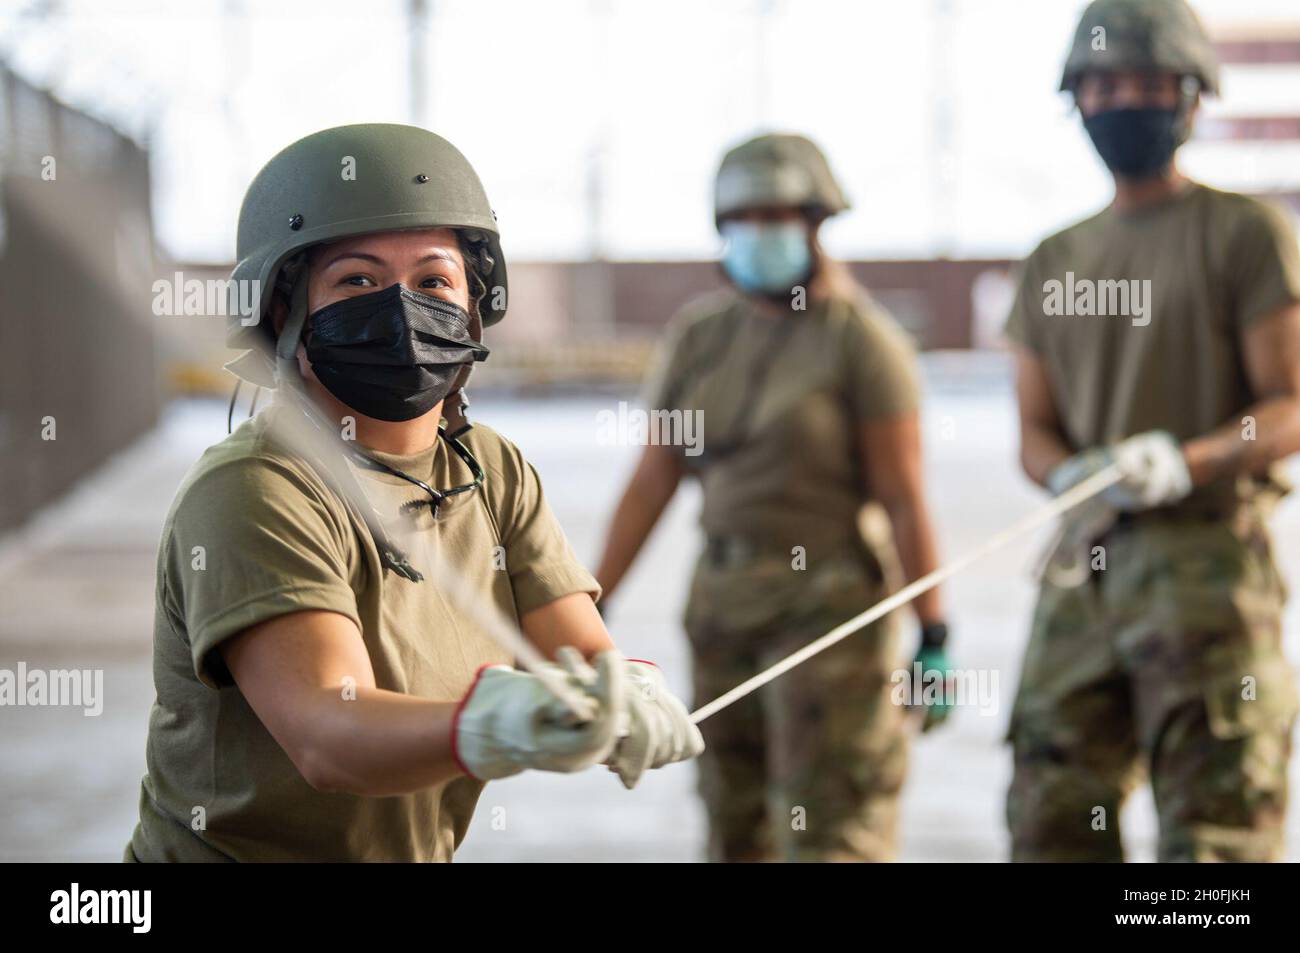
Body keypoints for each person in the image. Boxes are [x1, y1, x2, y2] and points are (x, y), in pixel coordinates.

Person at [126, 123, 702, 862]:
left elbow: (581, 655)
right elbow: (330, 737)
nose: (400, 308)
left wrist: (625, 688)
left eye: (433, 280)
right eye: (357, 281)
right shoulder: (257, 489)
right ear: (283, 312)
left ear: (471, 308)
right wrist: (486, 722)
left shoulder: (491, 470)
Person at [595, 133, 951, 862]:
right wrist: (591, 602)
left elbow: (905, 497)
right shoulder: (701, 337)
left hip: (830, 613)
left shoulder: (861, 342)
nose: (760, 233)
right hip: (723, 604)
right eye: (744, 218)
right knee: (734, 820)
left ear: (816, 222)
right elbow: (652, 479)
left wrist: (935, 633)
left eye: (778, 216)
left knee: (831, 825)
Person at [1004, 0, 1300, 862]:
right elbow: (1032, 430)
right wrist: (1068, 474)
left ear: (1190, 97)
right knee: (1052, 809)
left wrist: (1187, 458)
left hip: (1205, 565)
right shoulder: (1053, 259)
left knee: (1216, 836)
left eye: (1142, 83)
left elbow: (1288, 402)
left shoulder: (1242, 233)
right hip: (1083, 565)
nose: (1119, 100)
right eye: (1099, 85)